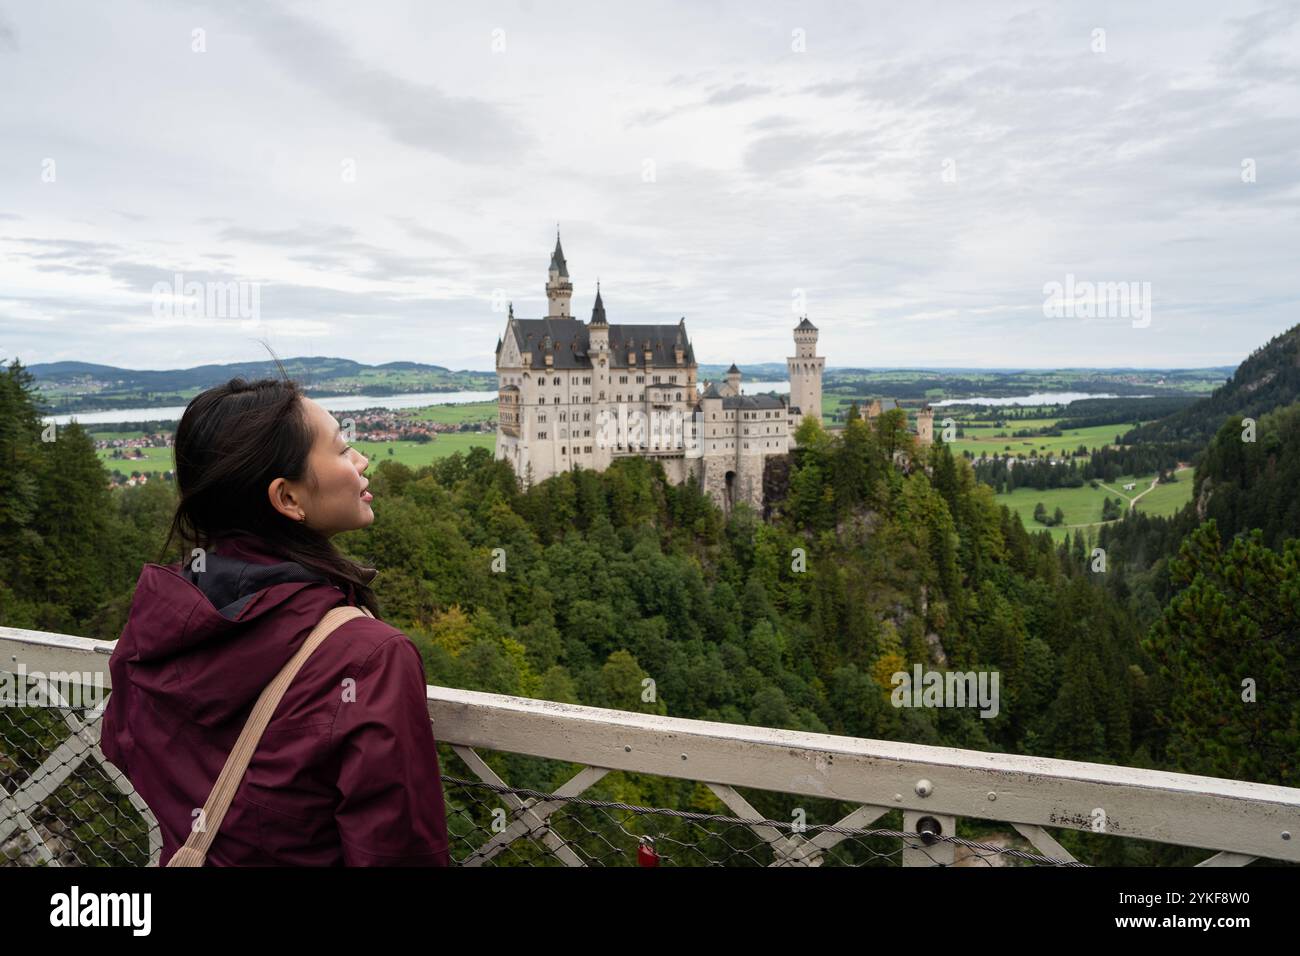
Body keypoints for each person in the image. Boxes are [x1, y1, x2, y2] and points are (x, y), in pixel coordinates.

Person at [100, 375, 451, 866]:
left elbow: (123, 746)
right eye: (344, 448)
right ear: (287, 499)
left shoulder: (159, 616)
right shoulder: (367, 656)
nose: (362, 460)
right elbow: (398, 853)